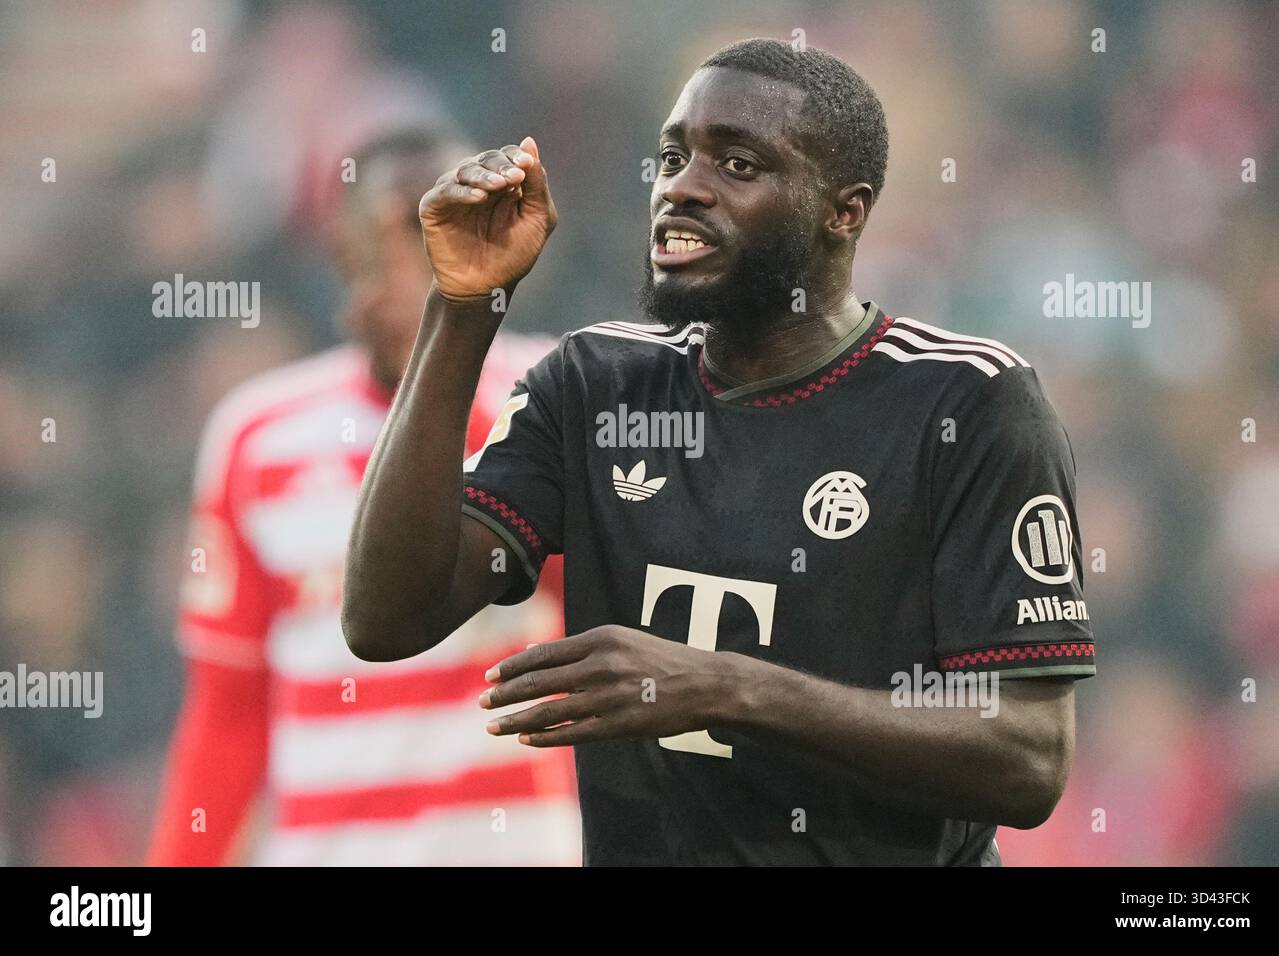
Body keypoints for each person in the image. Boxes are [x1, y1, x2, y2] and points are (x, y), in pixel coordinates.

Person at [343, 39, 1096, 865]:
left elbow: (1029, 758)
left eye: (738, 165)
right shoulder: (596, 384)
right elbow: (386, 619)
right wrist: (463, 305)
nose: (682, 187)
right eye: (673, 157)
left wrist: (726, 685)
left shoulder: (967, 402)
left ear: (843, 212)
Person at [149, 129, 579, 866]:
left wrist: (457, 351)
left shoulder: (554, 393)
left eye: (441, 237)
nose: (423, 267)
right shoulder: (257, 438)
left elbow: (602, 605)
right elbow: (227, 711)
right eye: (396, 243)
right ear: (347, 258)